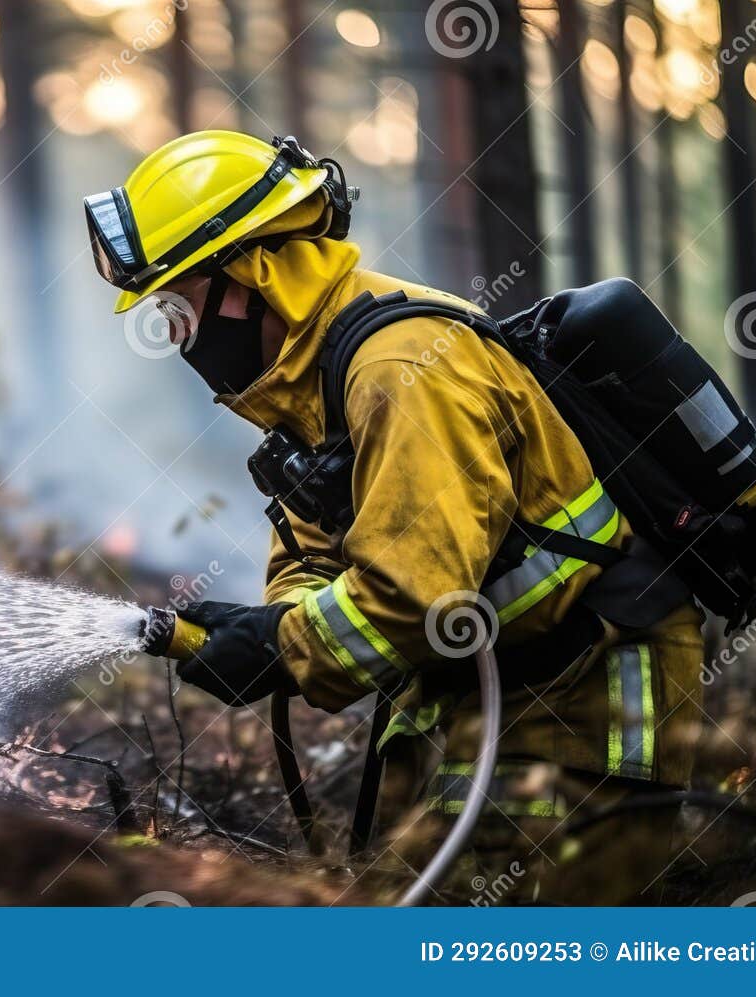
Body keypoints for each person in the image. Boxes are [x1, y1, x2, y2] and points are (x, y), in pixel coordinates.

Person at [84, 130, 704, 904]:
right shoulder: (310, 377)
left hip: (589, 692)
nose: (175, 337)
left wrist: (281, 649)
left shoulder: (397, 370)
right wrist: (267, 627)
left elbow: (417, 597)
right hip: (486, 691)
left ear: (250, 273)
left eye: (176, 307)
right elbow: (311, 548)